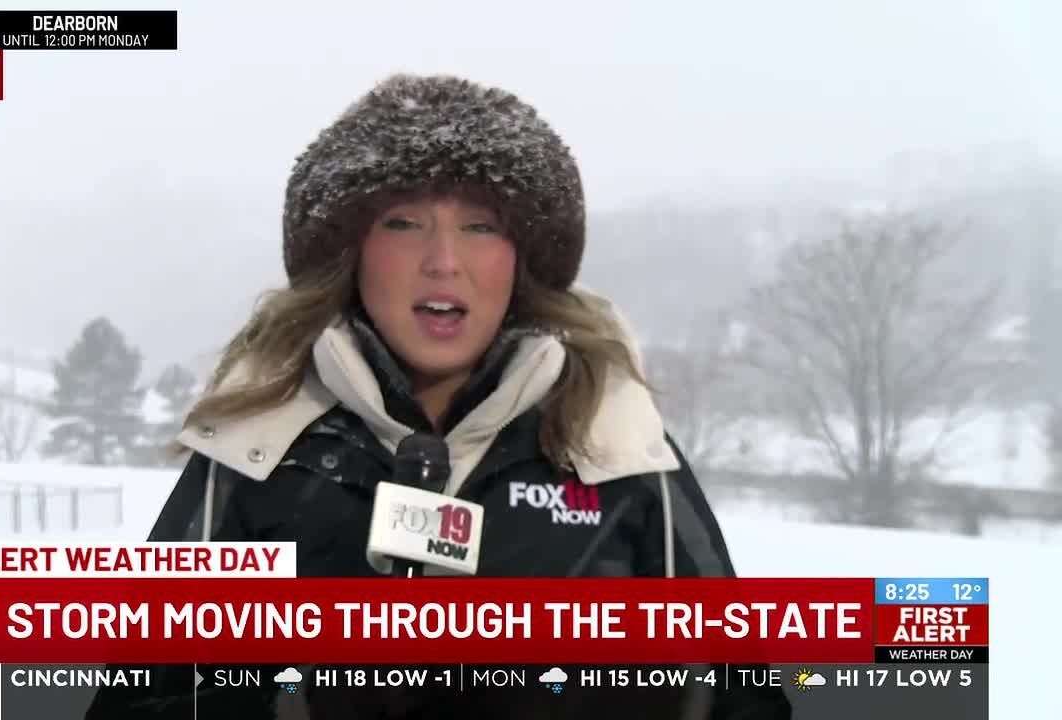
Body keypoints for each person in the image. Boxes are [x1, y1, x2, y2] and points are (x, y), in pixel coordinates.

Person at [86, 74, 792, 719]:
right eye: (403, 222)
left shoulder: (614, 440)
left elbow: (738, 701)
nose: (443, 260)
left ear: (525, 258)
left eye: (481, 226)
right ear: (349, 251)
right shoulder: (257, 446)